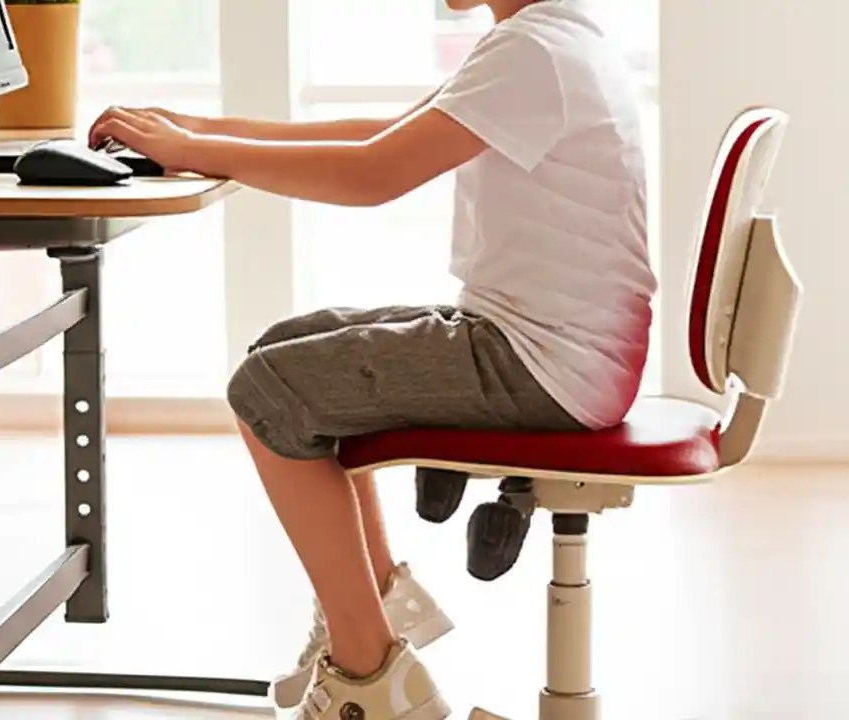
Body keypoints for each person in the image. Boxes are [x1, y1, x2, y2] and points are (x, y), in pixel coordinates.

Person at [89, 0, 655, 717]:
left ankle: (369, 674)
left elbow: (373, 173)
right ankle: (375, 598)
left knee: (270, 390)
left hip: (540, 364)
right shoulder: (545, 39)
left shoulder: (531, 53)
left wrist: (198, 152)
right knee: (284, 348)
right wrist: (198, 130)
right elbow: (382, 136)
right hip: (554, 350)